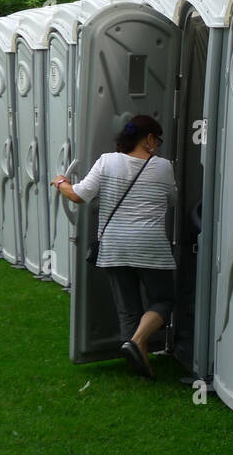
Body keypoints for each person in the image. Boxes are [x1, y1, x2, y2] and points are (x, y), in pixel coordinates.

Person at [52, 115, 176, 380]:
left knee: (128, 309)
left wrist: (61, 182)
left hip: (114, 245)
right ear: (150, 139)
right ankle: (139, 341)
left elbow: (78, 195)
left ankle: (137, 360)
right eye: (158, 139)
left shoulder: (107, 161)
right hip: (149, 245)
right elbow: (172, 199)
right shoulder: (163, 167)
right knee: (165, 300)